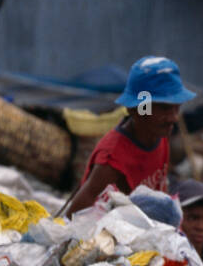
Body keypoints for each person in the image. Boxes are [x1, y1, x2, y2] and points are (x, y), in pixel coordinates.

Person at [65, 57, 194, 217]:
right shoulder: (113, 159)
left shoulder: (158, 133)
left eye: (176, 108)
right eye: (165, 108)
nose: (173, 118)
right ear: (138, 109)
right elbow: (76, 213)